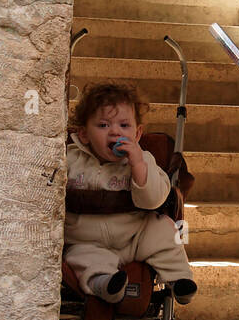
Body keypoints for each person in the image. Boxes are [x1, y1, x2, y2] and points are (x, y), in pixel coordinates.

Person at [64, 80, 197, 304]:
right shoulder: (70, 159)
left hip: (135, 235)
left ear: (137, 134)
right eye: (104, 125)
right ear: (84, 134)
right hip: (87, 239)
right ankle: (104, 282)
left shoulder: (143, 159)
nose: (115, 131)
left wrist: (138, 166)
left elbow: (154, 199)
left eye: (124, 125)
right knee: (78, 256)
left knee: (165, 231)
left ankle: (179, 279)